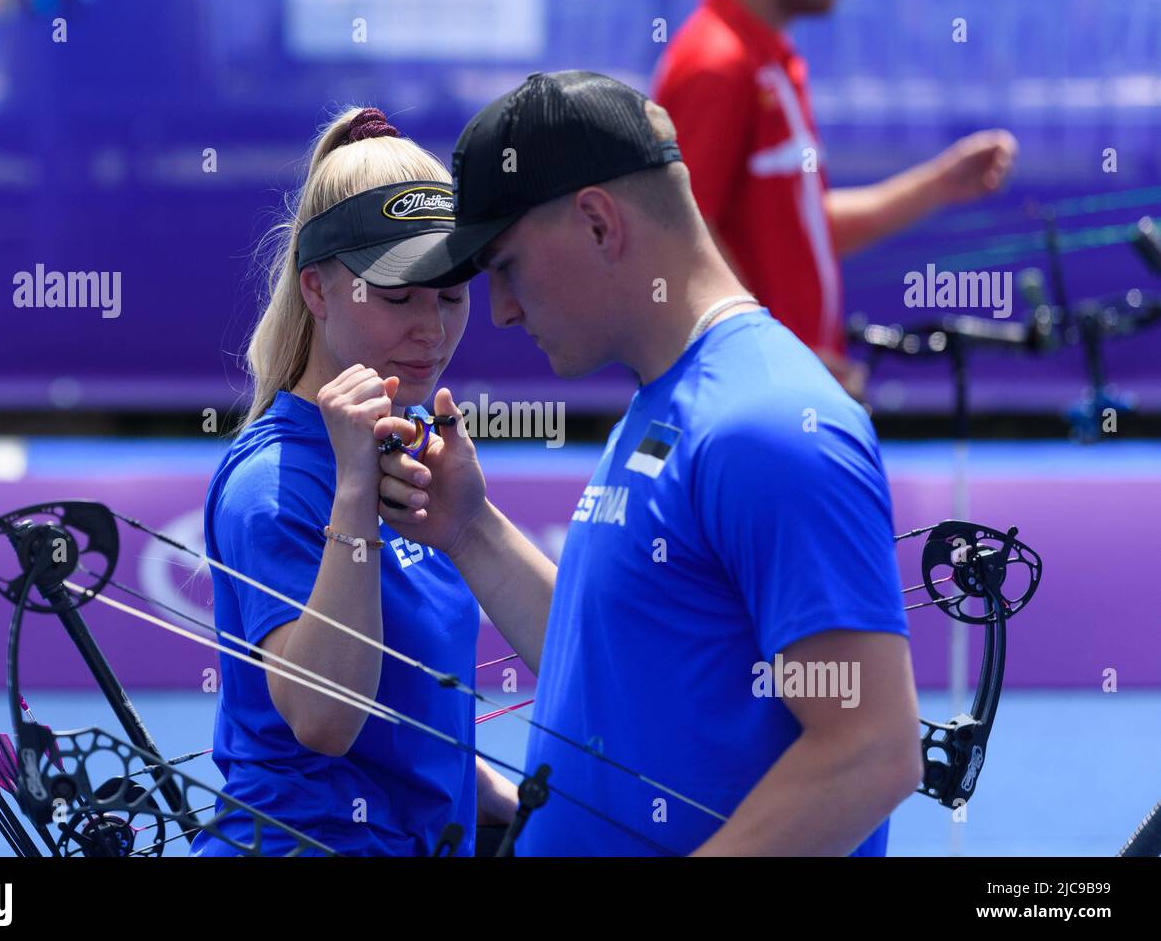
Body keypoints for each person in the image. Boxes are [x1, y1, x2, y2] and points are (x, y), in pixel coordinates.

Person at [378, 71, 922, 855]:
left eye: (505, 267)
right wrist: (470, 530)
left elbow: (869, 750)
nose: (501, 310)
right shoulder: (672, 400)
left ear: (599, 224)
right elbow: (617, 670)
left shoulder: (763, 423)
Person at [190, 107, 519, 857]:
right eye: (399, 297)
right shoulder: (269, 483)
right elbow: (324, 717)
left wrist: (478, 787)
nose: (431, 329)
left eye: (452, 295)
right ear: (317, 290)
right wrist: (353, 493)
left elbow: (406, 705)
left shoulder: (418, 441)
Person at [652, 0, 1018, 395]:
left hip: (777, 395)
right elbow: (681, 236)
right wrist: (777, 360)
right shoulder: (716, 63)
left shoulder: (766, 59)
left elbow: (799, 226)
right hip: (754, 404)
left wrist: (939, 185)